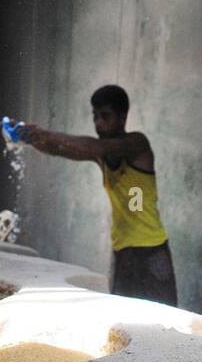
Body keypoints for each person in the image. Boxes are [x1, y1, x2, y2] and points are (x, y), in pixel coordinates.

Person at [20, 85, 177, 305]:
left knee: (164, 316)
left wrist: (44, 133)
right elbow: (60, 149)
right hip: (123, 250)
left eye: (105, 116)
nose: (98, 123)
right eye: (95, 116)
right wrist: (29, 138)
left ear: (122, 117)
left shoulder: (137, 144)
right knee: (123, 317)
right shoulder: (101, 156)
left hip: (151, 250)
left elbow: (92, 145)